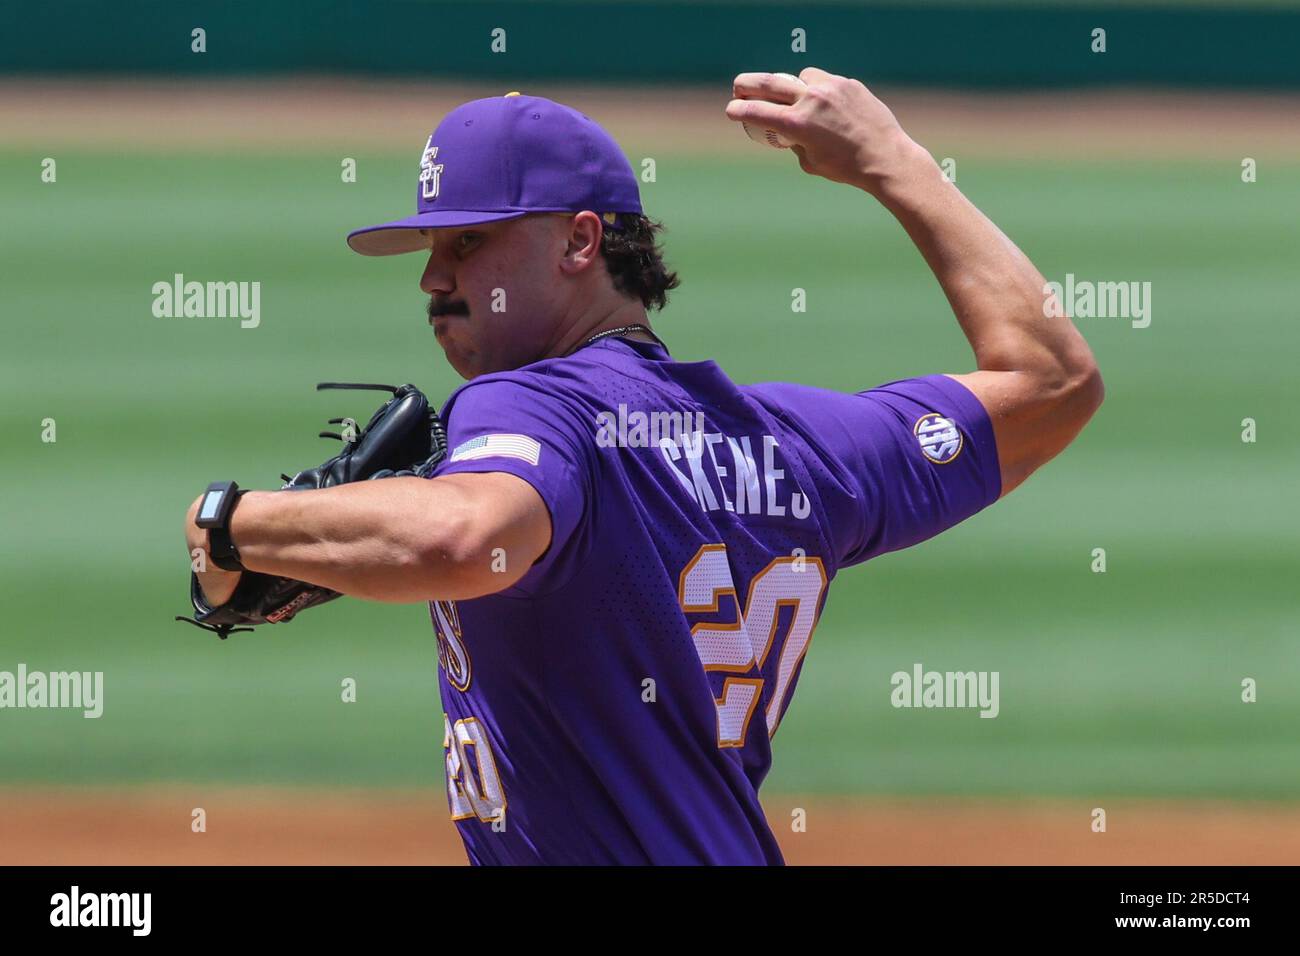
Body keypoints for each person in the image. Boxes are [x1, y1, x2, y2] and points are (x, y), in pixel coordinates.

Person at [184, 71, 1102, 864]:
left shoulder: (531, 403)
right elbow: (1053, 383)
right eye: (432, 248)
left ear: (582, 242)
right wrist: (892, 160)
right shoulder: (789, 440)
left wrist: (236, 524)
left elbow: (467, 537)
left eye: (470, 242)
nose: (435, 279)